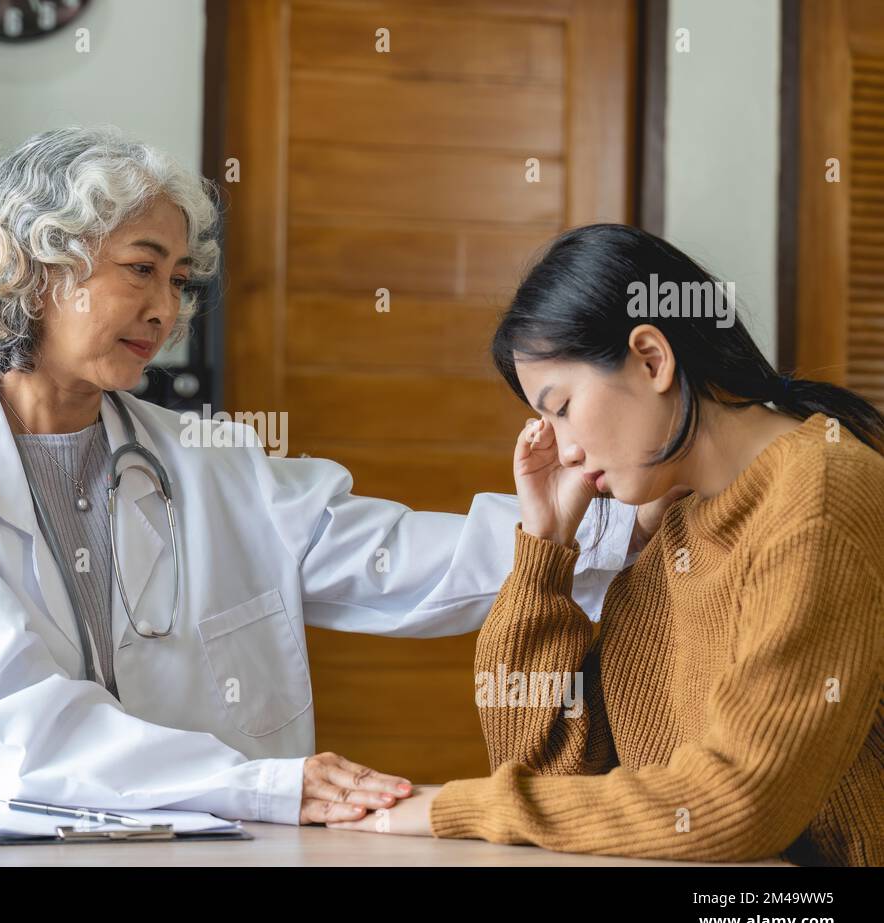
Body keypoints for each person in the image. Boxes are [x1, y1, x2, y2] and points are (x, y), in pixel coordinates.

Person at [0, 128, 662, 827]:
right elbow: (11, 728)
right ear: (35, 264)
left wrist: (599, 528)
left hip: (191, 843)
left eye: (178, 280)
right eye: (141, 268)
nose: (167, 310)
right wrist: (261, 785)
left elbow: (392, 559)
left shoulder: (206, 459)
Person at [329, 223, 884, 865]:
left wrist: (455, 809)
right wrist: (545, 550)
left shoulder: (818, 499)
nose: (563, 450)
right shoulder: (673, 526)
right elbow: (552, 778)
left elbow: (736, 806)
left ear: (652, 358)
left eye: (561, 406)